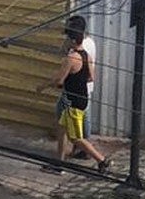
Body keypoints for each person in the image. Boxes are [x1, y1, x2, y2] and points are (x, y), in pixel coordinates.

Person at [40, 27, 110, 173]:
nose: (65, 41)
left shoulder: (71, 59)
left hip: (73, 102)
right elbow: (91, 77)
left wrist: (43, 86)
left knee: (75, 138)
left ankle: (102, 160)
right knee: (62, 130)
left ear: (72, 41)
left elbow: (59, 80)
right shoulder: (86, 56)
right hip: (80, 98)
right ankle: (59, 163)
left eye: (67, 39)